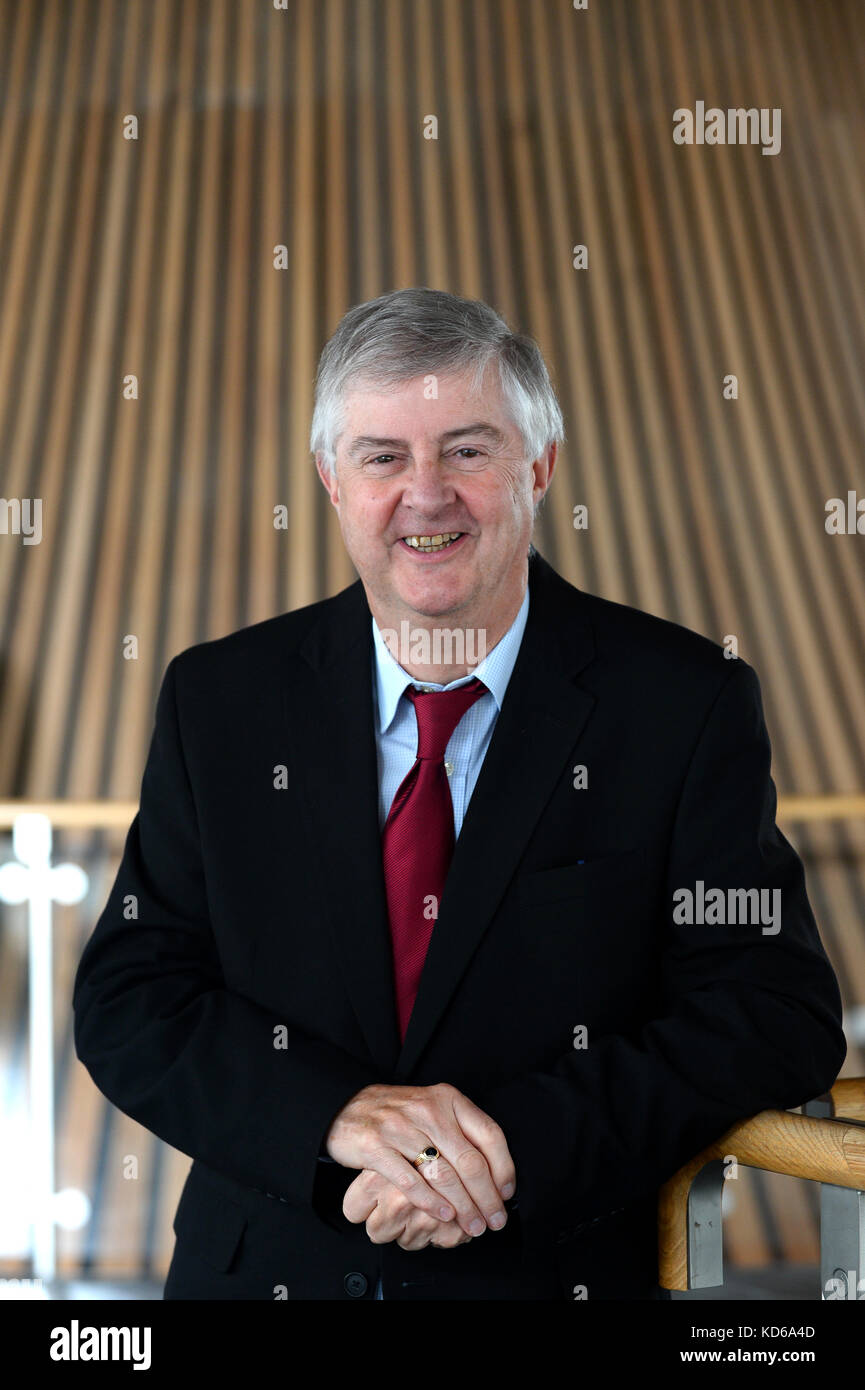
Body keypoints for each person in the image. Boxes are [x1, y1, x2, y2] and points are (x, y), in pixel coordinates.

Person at [73, 287, 846, 1301]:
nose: (424, 494)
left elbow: (771, 1009)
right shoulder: (221, 701)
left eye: (468, 451)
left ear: (539, 466)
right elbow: (132, 996)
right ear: (330, 478)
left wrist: (506, 1147)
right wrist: (334, 1119)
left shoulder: (679, 703)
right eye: (383, 456)